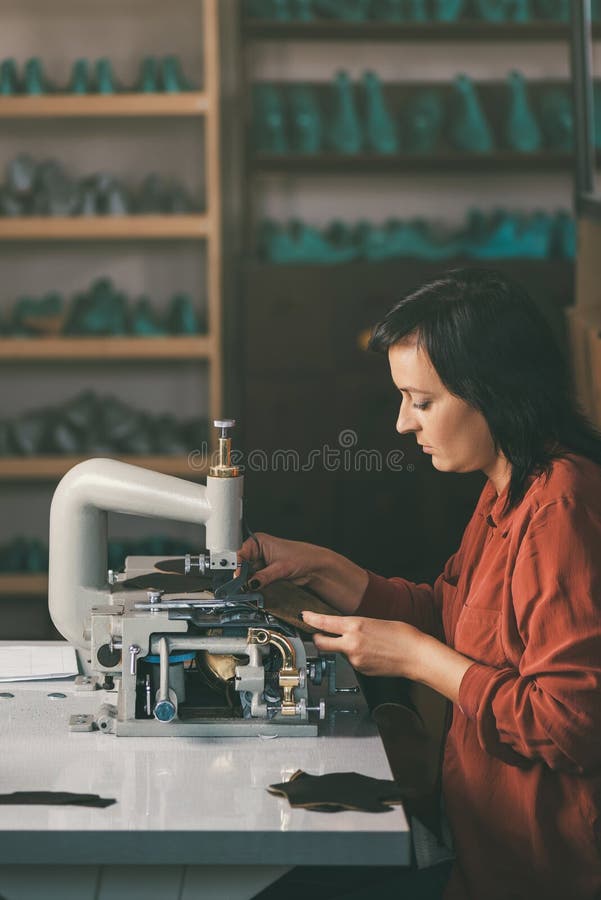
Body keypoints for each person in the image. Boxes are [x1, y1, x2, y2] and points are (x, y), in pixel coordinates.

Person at [240, 268, 601, 900]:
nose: (404, 424)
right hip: (480, 854)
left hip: (540, 876)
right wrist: (322, 568)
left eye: (422, 400)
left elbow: (568, 721)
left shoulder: (561, 509)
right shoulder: (506, 490)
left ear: (493, 391)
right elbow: (455, 617)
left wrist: (414, 659)